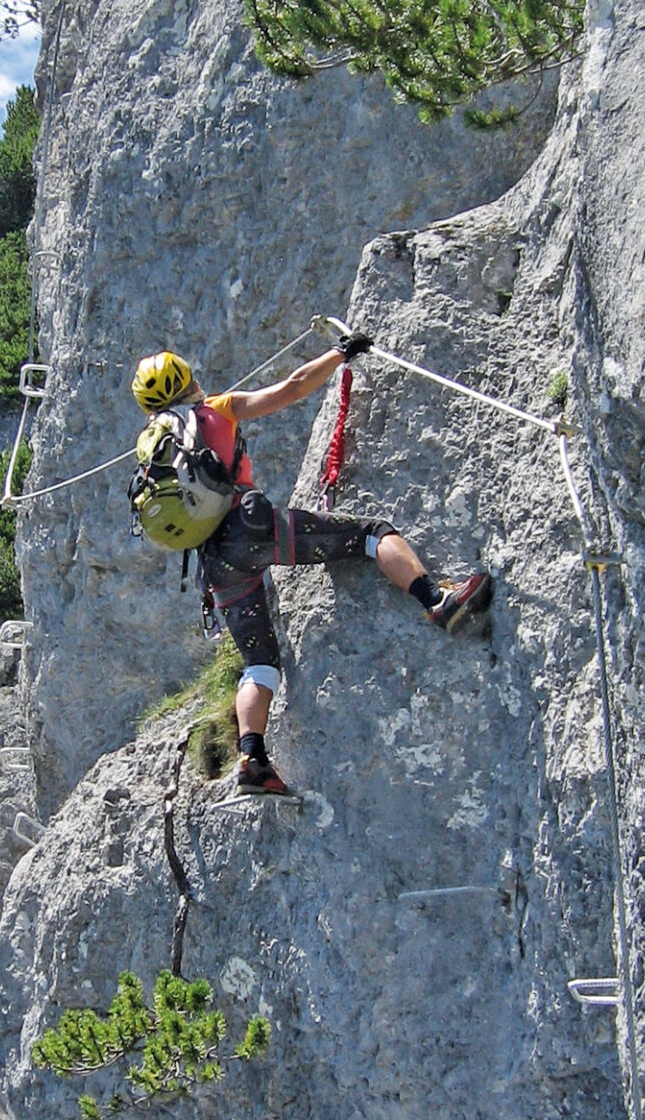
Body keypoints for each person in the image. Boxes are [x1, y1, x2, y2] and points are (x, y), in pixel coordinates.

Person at [131, 337, 493, 797]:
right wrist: (341, 354)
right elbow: (294, 387)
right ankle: (437, 600)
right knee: (370, 533)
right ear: (187, 382)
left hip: (215, 562)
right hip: (252, 527)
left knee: (260, 664)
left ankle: (252, 760)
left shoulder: (153, 449)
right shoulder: (217, 410)